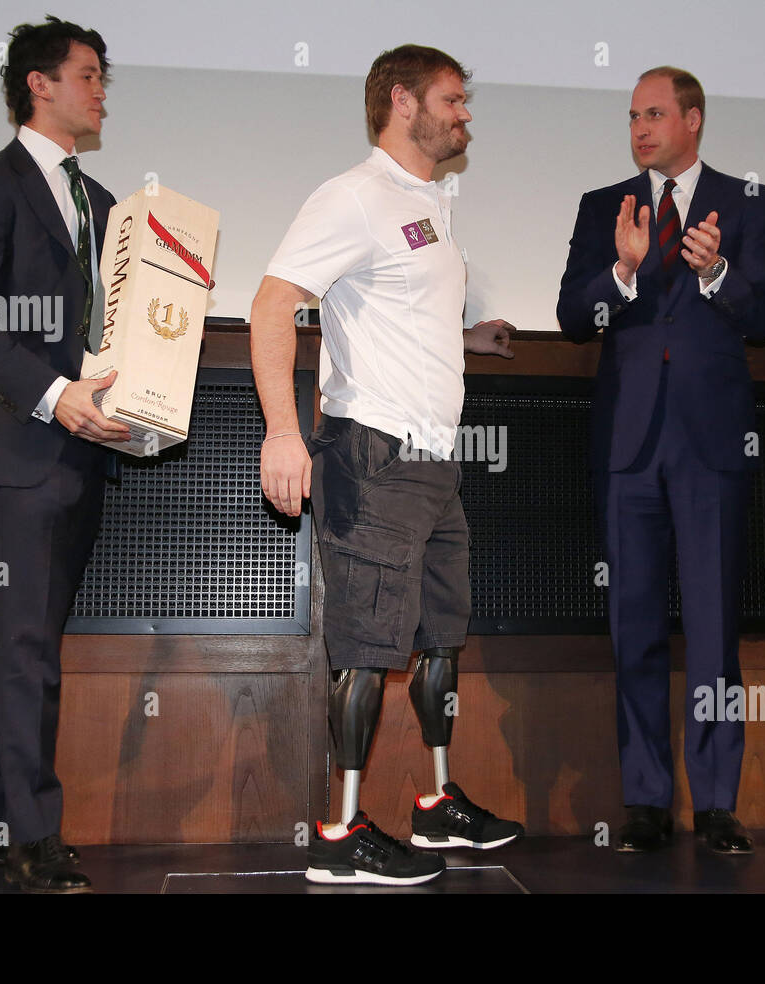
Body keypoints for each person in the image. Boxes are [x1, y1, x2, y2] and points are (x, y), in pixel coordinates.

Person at [251, 44, 523, 885]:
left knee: (440, 636)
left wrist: (467, 338)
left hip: (436, 458)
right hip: (372, 452)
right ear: (402, 102)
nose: (465, 114)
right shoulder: (354, 196)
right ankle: (339, 834)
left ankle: (435, 805)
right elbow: (273, 303)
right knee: (368, 644)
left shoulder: (430, 203)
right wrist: (283, 433)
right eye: (453, 99)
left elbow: (391, 313)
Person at [556, 67, 765, 854]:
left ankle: (717, 803)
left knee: (715, 630)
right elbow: (574, 317)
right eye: (632, 117)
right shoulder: (604, 207)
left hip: (711, 444)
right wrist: (622, 271)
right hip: (627, 444)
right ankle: (646, 801)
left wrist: (717, 273)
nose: (640, 129)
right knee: (635, 627)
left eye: (654, 114)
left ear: (693, 119)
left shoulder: (749, 202)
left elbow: (764, 317)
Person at [0, 16, 130, 892]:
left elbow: (113, 328)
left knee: (21, 639)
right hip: (24, 444)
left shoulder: (106, 205)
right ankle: (30, 833)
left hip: (84, 450)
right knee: (26, 647)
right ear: (38, 84)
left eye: (103, 77)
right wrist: (55, 394)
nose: (100, 91)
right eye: (87, 75)